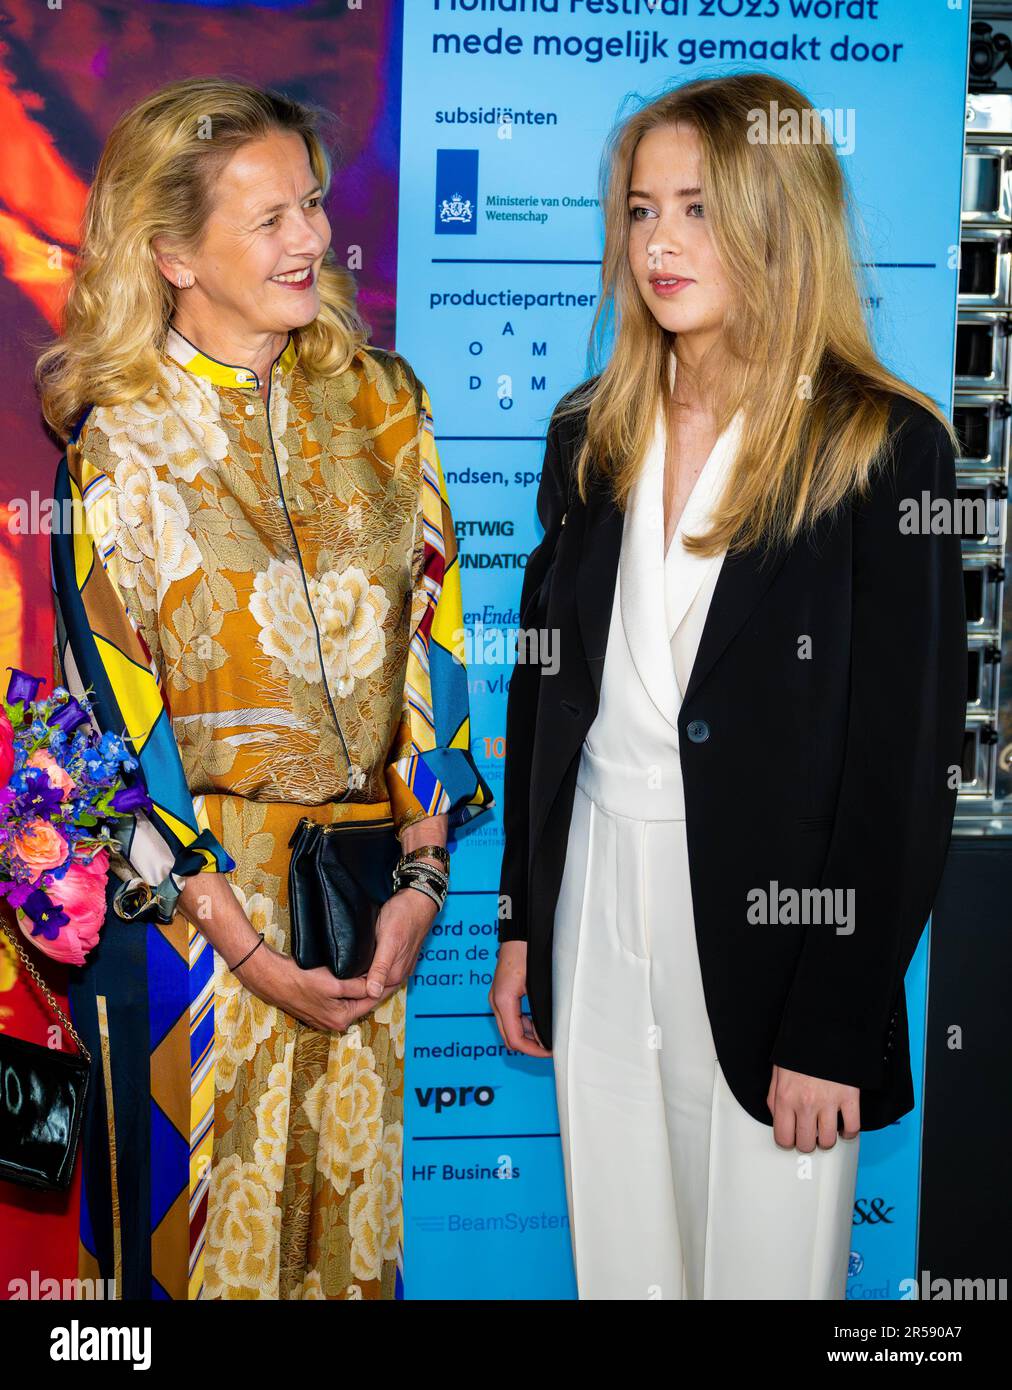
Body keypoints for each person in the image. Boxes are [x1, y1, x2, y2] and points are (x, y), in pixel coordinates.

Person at [491, 71, 967, 1300]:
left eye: (696, 207)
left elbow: (902, 772)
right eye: (641, 209)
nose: (658, 243)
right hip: (596, 889)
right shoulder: (587, 429)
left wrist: (833, 1022)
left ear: (776, 213)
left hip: (783, 933)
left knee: (763, 1278)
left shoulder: (886, 447)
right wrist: (520, 921)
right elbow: (547, 697)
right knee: (624, 1266)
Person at [38, 77, 492, 1301]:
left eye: (312, 206)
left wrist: (422, 878)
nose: (310, 241)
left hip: (364, 912)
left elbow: (433, 653)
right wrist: (242, 946)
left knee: (343, 1256)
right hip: (196, 933)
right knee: (195, 1266)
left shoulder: (387, 404)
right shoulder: (112, 440)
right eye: (269, 218)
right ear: (172, 252)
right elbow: (107, 735)